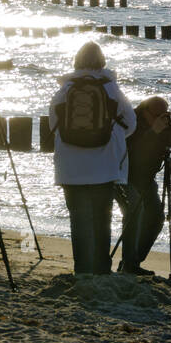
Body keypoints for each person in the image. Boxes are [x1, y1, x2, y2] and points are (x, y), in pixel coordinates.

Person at [48, 41, 134, 277]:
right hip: (104, 167)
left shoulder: (65, 89)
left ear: (76, 60)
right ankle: (101, 270)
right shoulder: (109, 87)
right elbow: (131, 123)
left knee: (79, 221)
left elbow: (53, 125)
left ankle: (82, 271)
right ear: (102, 61)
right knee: (101, 220)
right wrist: (108, 139)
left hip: (70, 168)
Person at [120, 97, 171, 275]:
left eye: (165, 114)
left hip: (147, 180)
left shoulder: (164, 126)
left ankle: (133, 262)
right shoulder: (131, 124)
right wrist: (153, 132)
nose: (162, 118)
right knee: (135, 217)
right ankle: (129, 265)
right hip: (126, 177)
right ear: (144, 112)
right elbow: (134, 152)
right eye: (157, 115)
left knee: (155, 219)